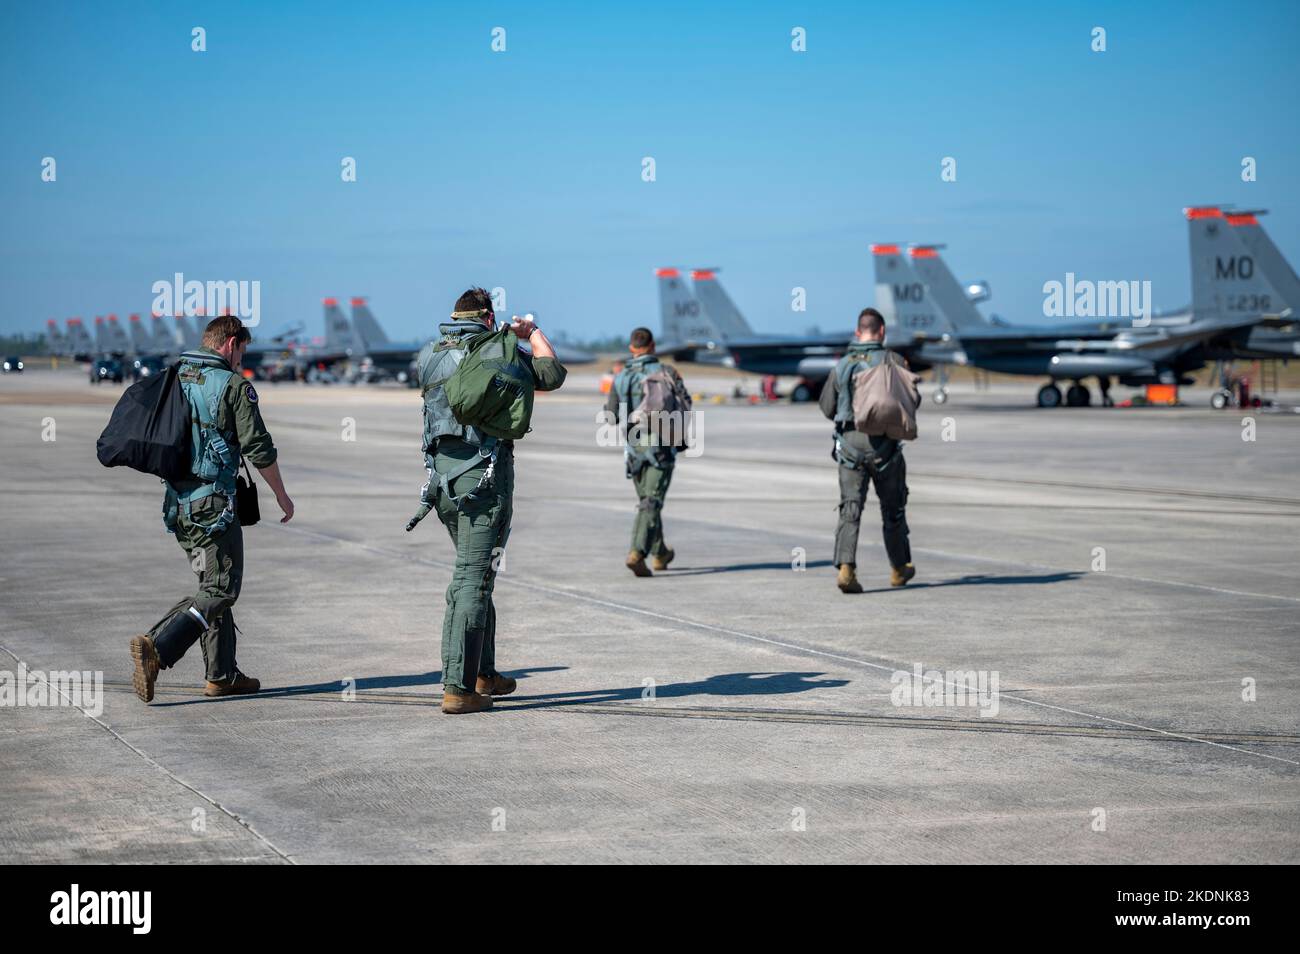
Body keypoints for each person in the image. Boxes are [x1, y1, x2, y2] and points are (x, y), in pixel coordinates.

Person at [415, 288, 567, 714]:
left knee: (474, 573)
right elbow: (552, 374)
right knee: (472, 580)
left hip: (442, 483)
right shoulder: (497, 351)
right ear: (488, 317)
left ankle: (484, 672)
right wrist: (530, 331)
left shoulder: (428, 353)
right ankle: (458, 689)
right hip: (484, 483)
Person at [129, 316, 294, 702]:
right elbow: (259, 448)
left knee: (211, 585)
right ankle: (157, 647)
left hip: (179, 505)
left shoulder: (175, 379)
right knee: (221, 588)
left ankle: (221, 674)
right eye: (242, 352)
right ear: (231, 343)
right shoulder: (233, 386)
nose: (242, 360)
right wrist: (282, 497)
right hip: (213, 507)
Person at [819, 308, 916, 593]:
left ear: (857, 331)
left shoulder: (843, 364)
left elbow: (827, 408)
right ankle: (899, 568)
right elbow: (912, 401)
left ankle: (846, 568)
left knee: (850, 507)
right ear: (882, 332)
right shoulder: (895, 361)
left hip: (850, 446)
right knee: (893, 509)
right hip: (885, 447)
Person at [603, 327, 685, 577]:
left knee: (648, 501)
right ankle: (636, 553)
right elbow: (683, 407)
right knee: (652, 502)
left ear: (631, 348)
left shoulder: (620, 376)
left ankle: (660, 554)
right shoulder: (667, 372)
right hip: (661, 447)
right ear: (653, 347)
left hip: (634, 449)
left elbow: (611, 416)